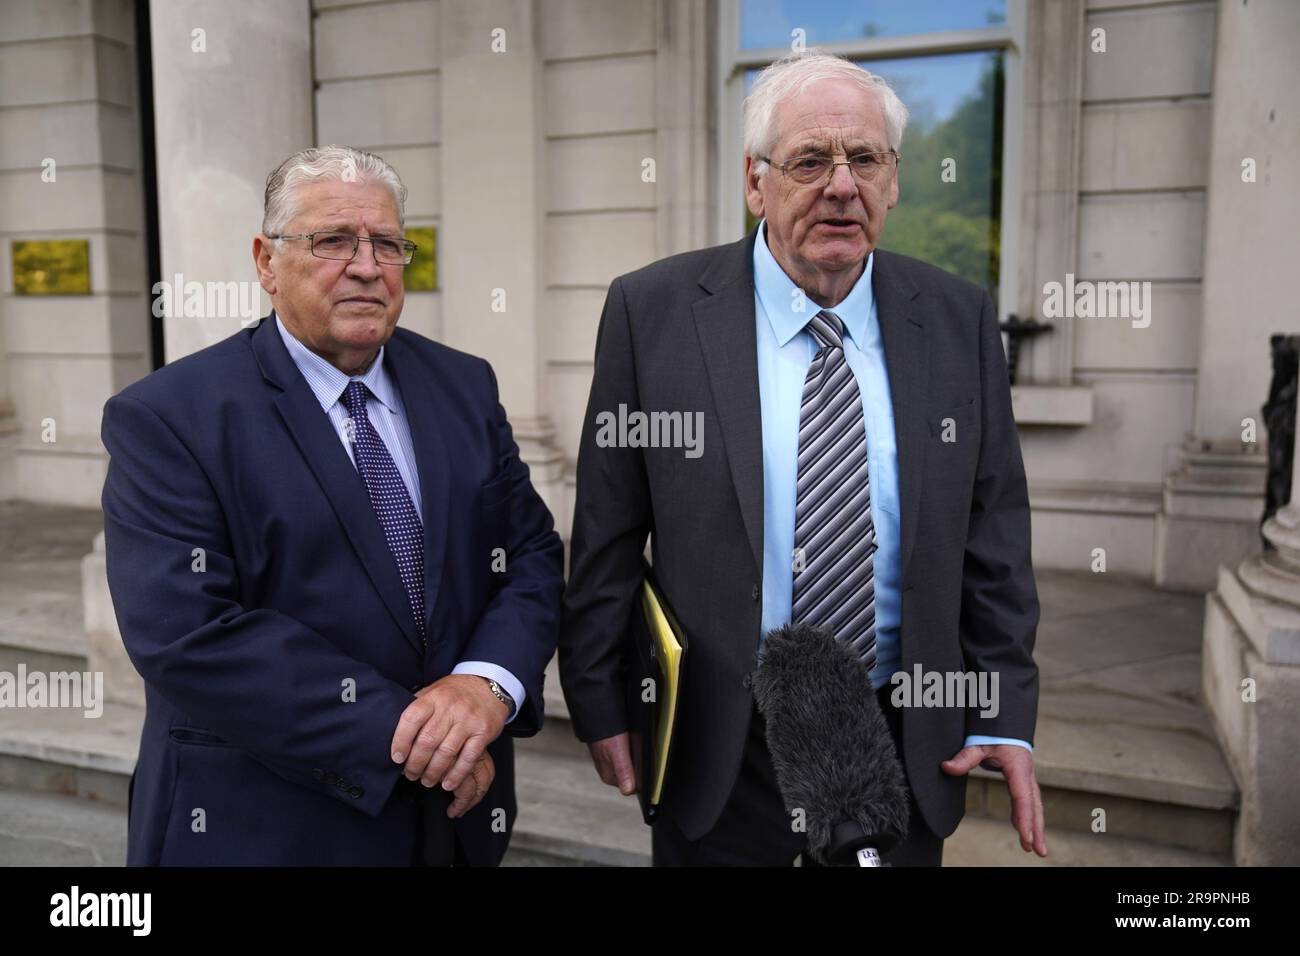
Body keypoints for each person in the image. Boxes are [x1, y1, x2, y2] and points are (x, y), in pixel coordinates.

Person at [560, 52, 1046, 866]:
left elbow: (993, 535)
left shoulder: (958, 320)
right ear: (756, 182)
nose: (842, 186)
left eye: (865, 160)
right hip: (724, 741)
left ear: (893, 181)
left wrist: (998, 711)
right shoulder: (653, 313)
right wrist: (602, 700)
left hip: (899, 735)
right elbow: (608, 531)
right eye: (810, 161)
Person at [101, 145, 564, 866]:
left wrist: (486, 687)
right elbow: (189, 632)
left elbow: (530, 556)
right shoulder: (170, 417)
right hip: (265, 829)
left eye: (387, 243)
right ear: (265, 261)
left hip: (454, 826)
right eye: (332, 241)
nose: (366, 265)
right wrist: (421, 739)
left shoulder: (463, 386)